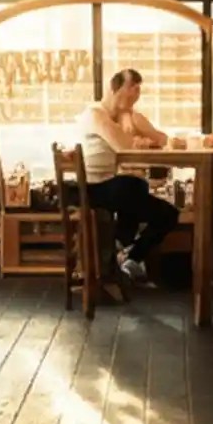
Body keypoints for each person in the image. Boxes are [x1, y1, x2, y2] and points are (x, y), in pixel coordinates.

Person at [77, 68, 179, 282]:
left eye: (138, 92)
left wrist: (137, 133)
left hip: (110, 187)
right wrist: (132, 129)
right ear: (115, 89)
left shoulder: (119, 118)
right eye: (131, 90)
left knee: (162, 208)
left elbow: (154, 141)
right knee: (133, 186)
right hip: (93, 189)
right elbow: (123, 148)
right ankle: (123, 248)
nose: (135, 96)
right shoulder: (96, 114)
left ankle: (127, 253)